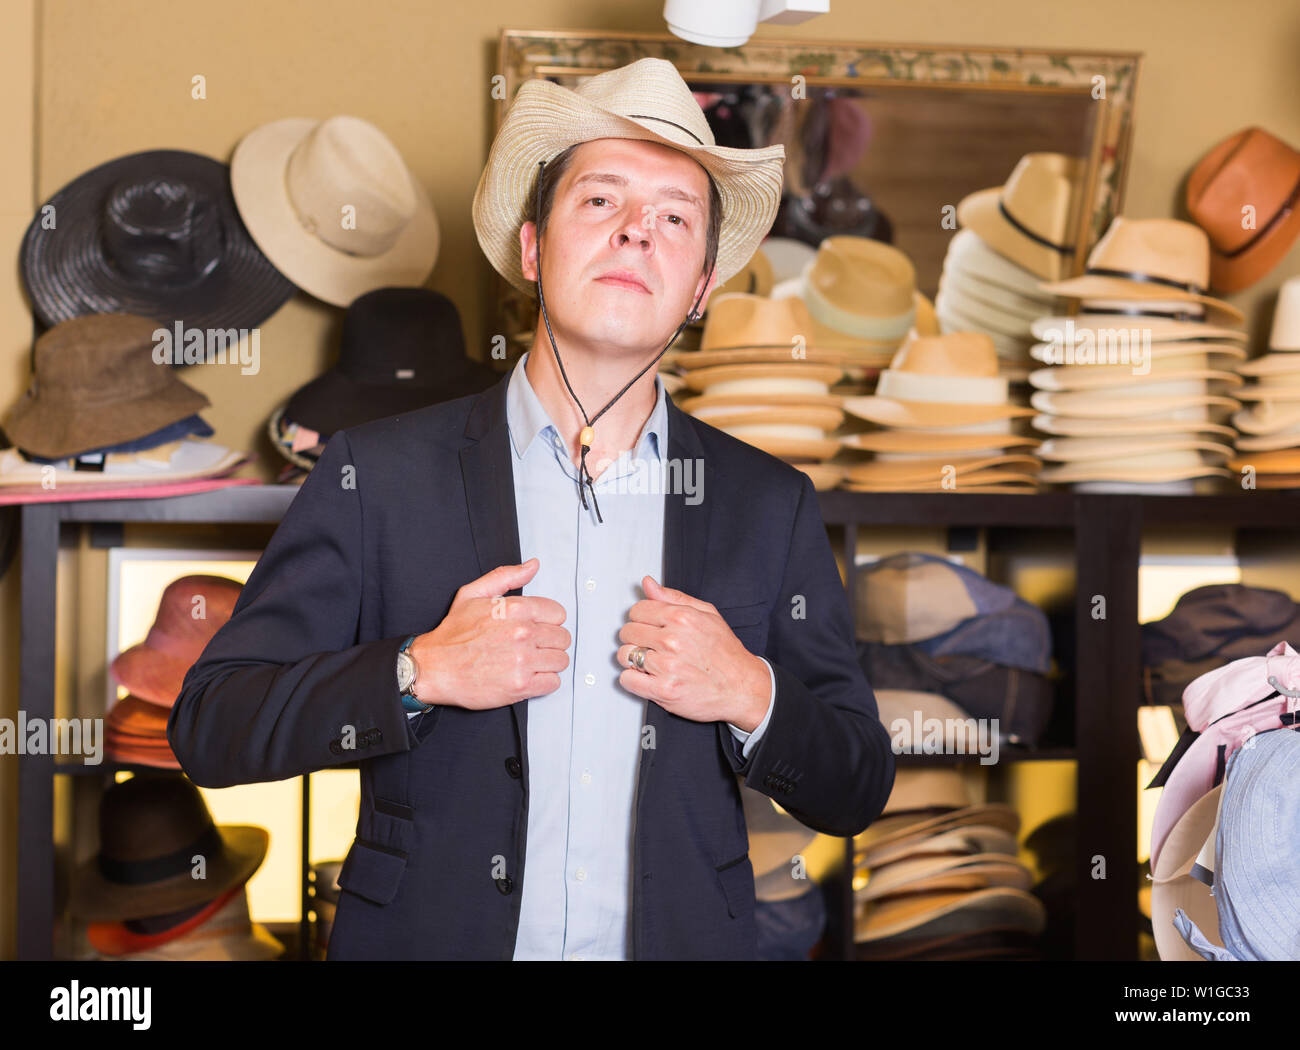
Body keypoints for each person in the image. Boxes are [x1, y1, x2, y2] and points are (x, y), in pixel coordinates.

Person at [169, 57, 895, 961]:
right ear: (530, 246)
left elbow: (856, 786)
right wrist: (415, 670)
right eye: (601, 201)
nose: (638, 233)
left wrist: (749, 693)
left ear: (703, 287)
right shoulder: (376, 476)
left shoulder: (769, 505)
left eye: (676, 218)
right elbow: (212, 726)